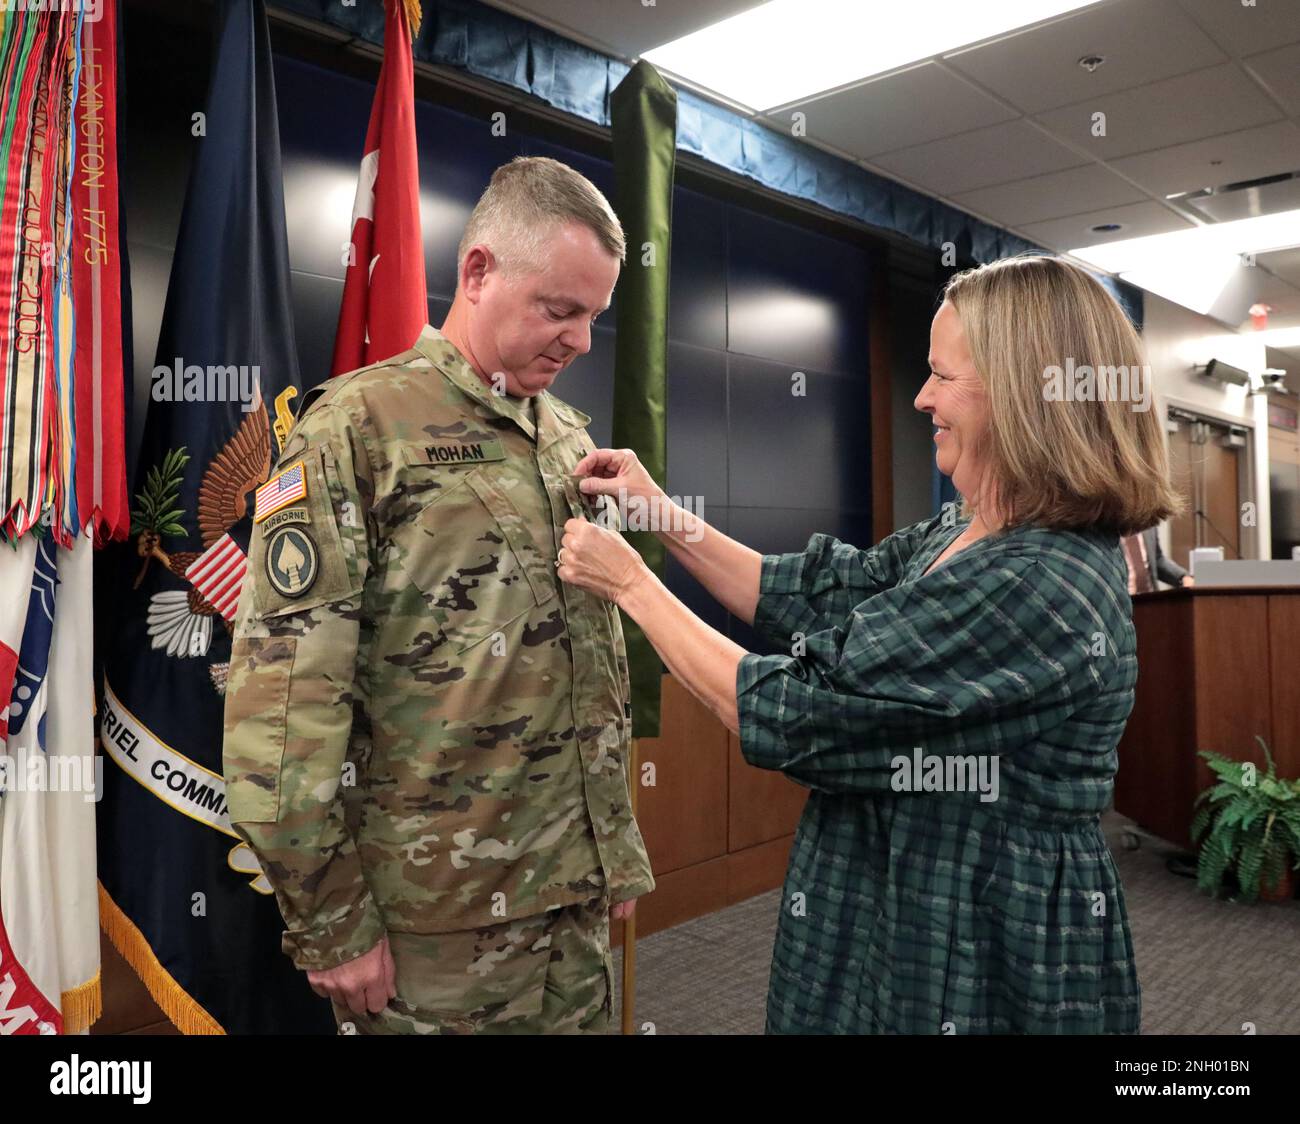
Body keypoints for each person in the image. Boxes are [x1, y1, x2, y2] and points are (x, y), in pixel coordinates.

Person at [557, 254, 1183, 1034]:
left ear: (1026, 397)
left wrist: (631, 587)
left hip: (976, 931)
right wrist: (659, 515)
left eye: (942, 378)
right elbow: (815, 594)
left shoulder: (1042, 581)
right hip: (892, 898)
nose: (921, 398)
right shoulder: (971, 526)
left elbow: (798, 711)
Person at [222, 156, 654, 1035]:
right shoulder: (350, 430)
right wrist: (330, 923)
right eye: (558, 310)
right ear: (479, 271)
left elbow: (591, 656)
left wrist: (616, 856)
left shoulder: (569, 438)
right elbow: (282, 707)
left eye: (593, 318)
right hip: (437, 927)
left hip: (571, 902)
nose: (577, 341)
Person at [1121, 528, 1192, 592]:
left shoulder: (1149, 523)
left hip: (1150, 599)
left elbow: (1157, 560)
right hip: (1121, 601)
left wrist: (1182, 576)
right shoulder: (1111, 526)